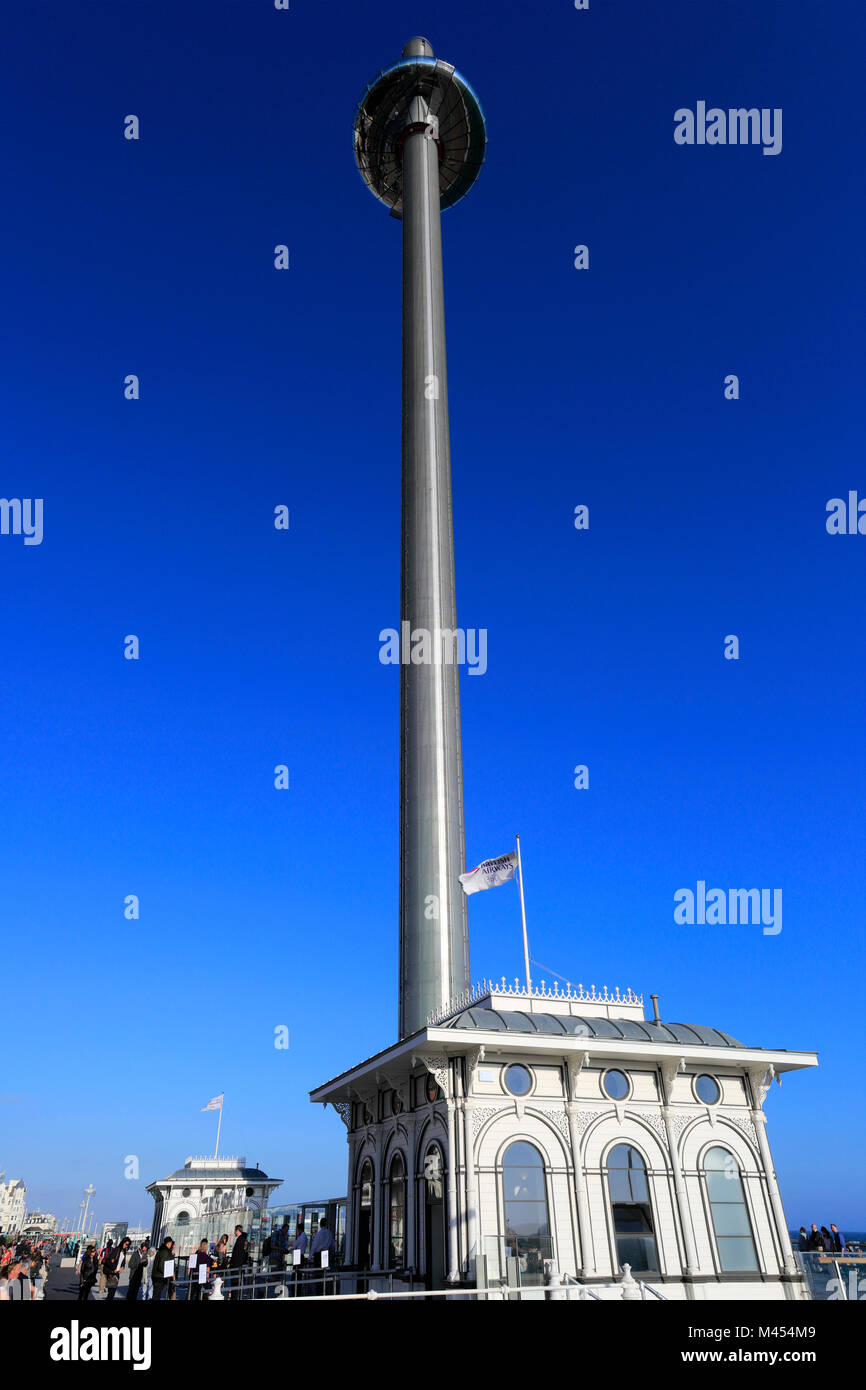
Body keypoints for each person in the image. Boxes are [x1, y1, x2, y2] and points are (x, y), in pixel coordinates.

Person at [104, 1236, 132, 1301]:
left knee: (112, 1292)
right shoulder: (117, 1249)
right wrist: (113, 1269)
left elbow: (123, 1262)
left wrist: (122, 1267)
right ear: (123, 1242)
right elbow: (109, 1260)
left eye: (128, 1245)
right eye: (126, 1244)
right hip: (112, 1272)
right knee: (111, 1292)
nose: (127, 1246)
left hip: (117, 1273)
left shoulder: (124, 1251)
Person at [151, 1237, 176, 1302]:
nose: (172, 1245)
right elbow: (162, 1265)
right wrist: (168, 1273)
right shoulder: (165, 1252)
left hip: (159, 1276)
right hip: (160, 1277)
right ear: (168, 1244)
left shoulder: (162, 1251)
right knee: (157, 1295)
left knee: (157, 1294)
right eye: (171, 1243)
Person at [227, 1226, 249, 1298]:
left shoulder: (240, 1239)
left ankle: (235, 1296)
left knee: (235, 1281)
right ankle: (235, 1295)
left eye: (235, 1231)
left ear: (237, 1230)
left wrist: (231, 1263)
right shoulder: (243, 1240)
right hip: (239, 1264)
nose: (234, 1232)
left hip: (237, 1264)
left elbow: (237, 1253)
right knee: (237, 1281)